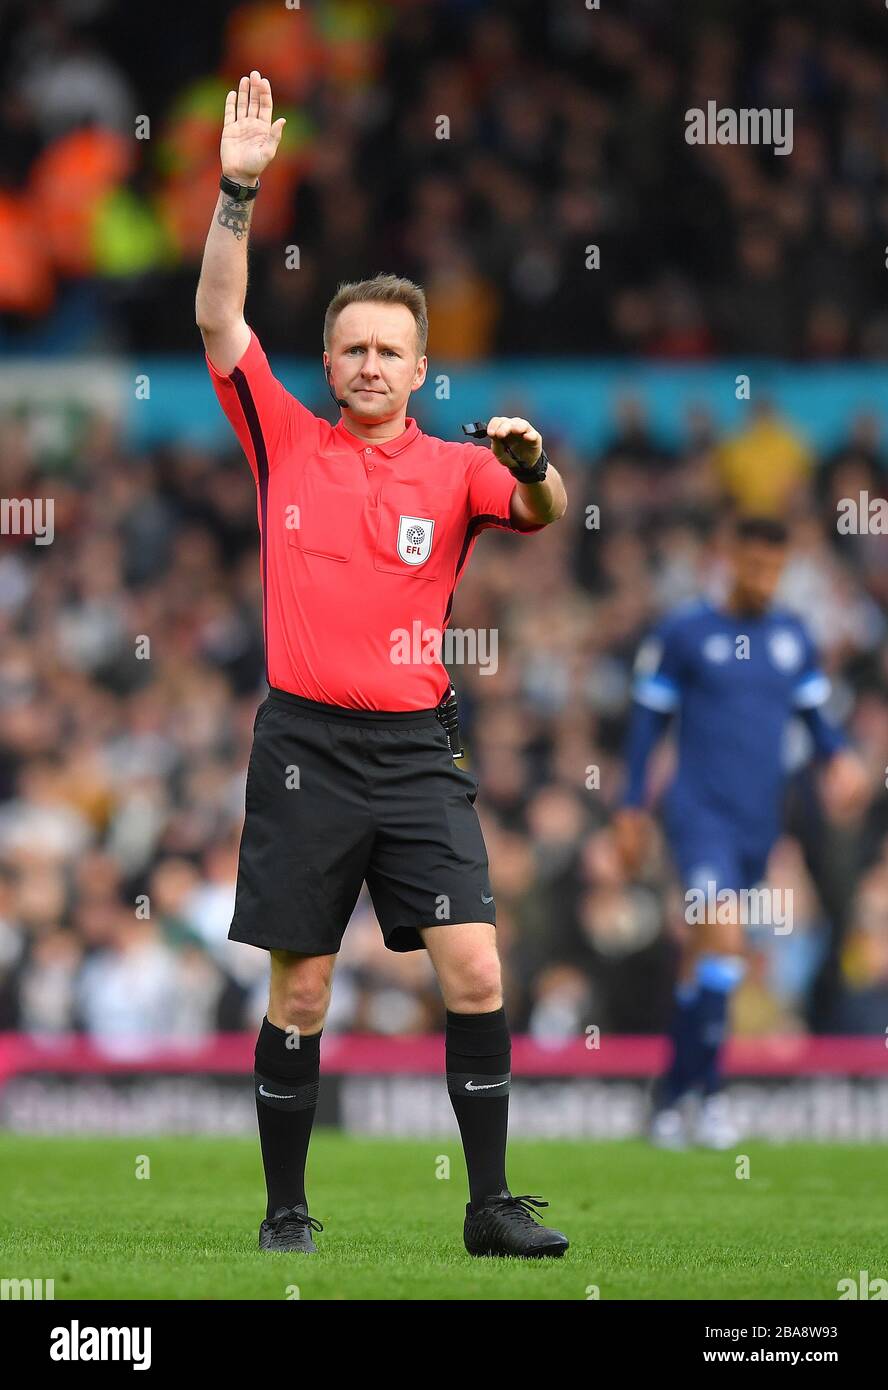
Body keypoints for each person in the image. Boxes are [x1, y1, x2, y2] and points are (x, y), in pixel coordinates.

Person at [195, 71, 570, 1256]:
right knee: (301, 991)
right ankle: (287, 1210)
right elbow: (216, 322)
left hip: (415, 747)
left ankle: (492, 1204)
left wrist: (535, 464)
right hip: (304, 744)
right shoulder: (283, 438)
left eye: (388, 351)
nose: (367, 364)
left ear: (420, 369)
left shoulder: (462, 466)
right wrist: (238, 194)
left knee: (474, 964)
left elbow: (546, 511)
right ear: (328, 358)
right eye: (351, 346)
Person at [614, 516, 868, 1148]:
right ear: (728, 558)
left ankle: (671, 1097)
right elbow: (647, 727)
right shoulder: (685, 633)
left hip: (760, 823)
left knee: (705, 961)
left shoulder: (792, 637)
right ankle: (712, 1097)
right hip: (700, 817)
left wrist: (842, 760)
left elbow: (817, 722)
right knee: (724, 942)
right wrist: (628, 808)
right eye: (754, 566)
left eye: (775, 569)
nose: (764, 579)